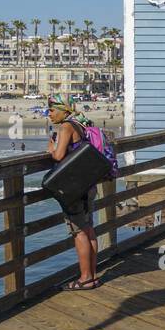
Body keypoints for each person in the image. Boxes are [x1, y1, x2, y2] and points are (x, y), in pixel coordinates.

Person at [47, 93, 101, 291]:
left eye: (52, 110)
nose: (49, 114)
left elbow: (59, 155)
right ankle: (93, 276)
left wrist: (51, 148)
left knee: (79, 233)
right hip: (88, 184)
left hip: (75, 187)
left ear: (63, 110)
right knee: (89, 230)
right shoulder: (81, 124)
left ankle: (85, 278)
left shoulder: (66, 126)